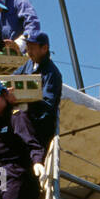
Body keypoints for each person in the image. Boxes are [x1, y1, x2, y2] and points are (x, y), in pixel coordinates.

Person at [21, 31, 62, 160]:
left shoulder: (52, 73)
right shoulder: (28, 64)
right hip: (25, 127)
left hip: (40, 131)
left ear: (44, 48)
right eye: (28, 47)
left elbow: (47, 104)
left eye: (32, 48)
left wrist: (27, 100)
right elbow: (14, 78)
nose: (29, 51)